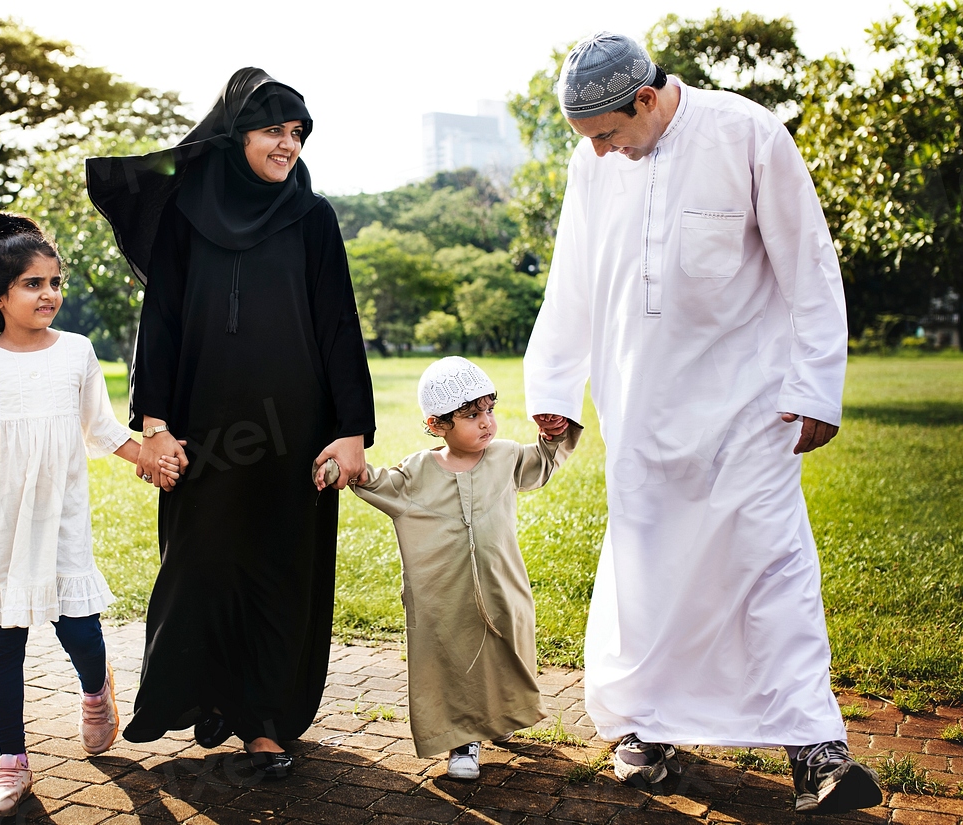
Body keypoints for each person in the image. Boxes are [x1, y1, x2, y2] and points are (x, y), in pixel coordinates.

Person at [524, 32, 881, 815]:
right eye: (593, 142)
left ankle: (816, 750)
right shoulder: (594, 163)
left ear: (646, 100)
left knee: (773, 567)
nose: (604, 153)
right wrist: (555, 382)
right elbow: (573, 274)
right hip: (640, 411)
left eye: (611, 134)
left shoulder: (748, 133)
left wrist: (818, 384)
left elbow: (809, 261)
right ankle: (643, 731)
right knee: (647, 577)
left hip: (749, 408)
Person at [85, 67, 375, 778]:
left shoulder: (314, 217)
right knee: (204, 561)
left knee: (281, 565)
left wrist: (352, 430)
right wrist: (154, 424)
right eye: (274, 130)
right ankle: (209, 693)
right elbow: (160, 323)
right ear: (236, 132)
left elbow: (339, 324)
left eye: (298, 134)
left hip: (294, 427)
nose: (288, 145)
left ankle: (265, 721)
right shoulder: (187, 214)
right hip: (205, 427)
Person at [0, 212, 182, 819]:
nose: (49, 294)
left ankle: (97, 690)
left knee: (79, 631)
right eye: (33, 284)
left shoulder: (77, 353)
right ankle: (10, 764)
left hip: (61, 519)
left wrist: (151, 458)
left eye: (55, 282)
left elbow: (103, 428)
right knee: (3, 642)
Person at [315, 357, 581, 780]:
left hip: (501, 587)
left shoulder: (507, 456)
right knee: (458, 663)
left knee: (505, 652)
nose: (486, 422)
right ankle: (463, 738)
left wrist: (555, 432)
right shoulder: (418, 471)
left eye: (490, 409)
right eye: (471, 415)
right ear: (438, 424)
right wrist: (341, 469)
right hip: (445, 596)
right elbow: (375, 480)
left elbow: (544, 461)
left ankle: (504, 716)